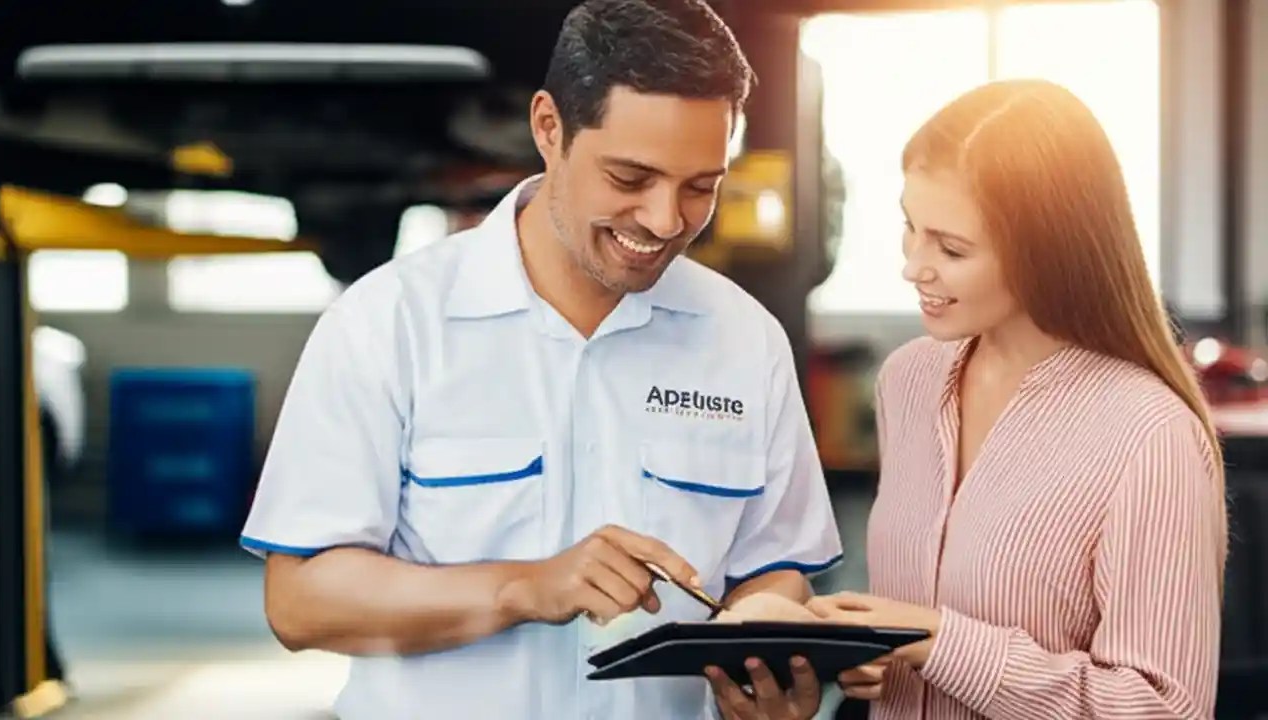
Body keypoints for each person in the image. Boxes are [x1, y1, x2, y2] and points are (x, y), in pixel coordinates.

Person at [238, 1, 842, 718]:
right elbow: (300, 601)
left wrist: (761, 649)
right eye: (629, 179)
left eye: (700, 187)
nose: (665, 220)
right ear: (549, 127)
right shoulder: (389, 323)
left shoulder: (745, 341)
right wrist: (524, 587)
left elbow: (775, 568)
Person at [712, 79, 1228, 719]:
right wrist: (871, 657)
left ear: (1047, 251)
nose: (914, 266)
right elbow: (919, 616)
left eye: (951, 248)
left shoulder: (1148, 433)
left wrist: (937, 641)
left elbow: (1164, 709)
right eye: (910, 228)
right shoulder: (911, 380)